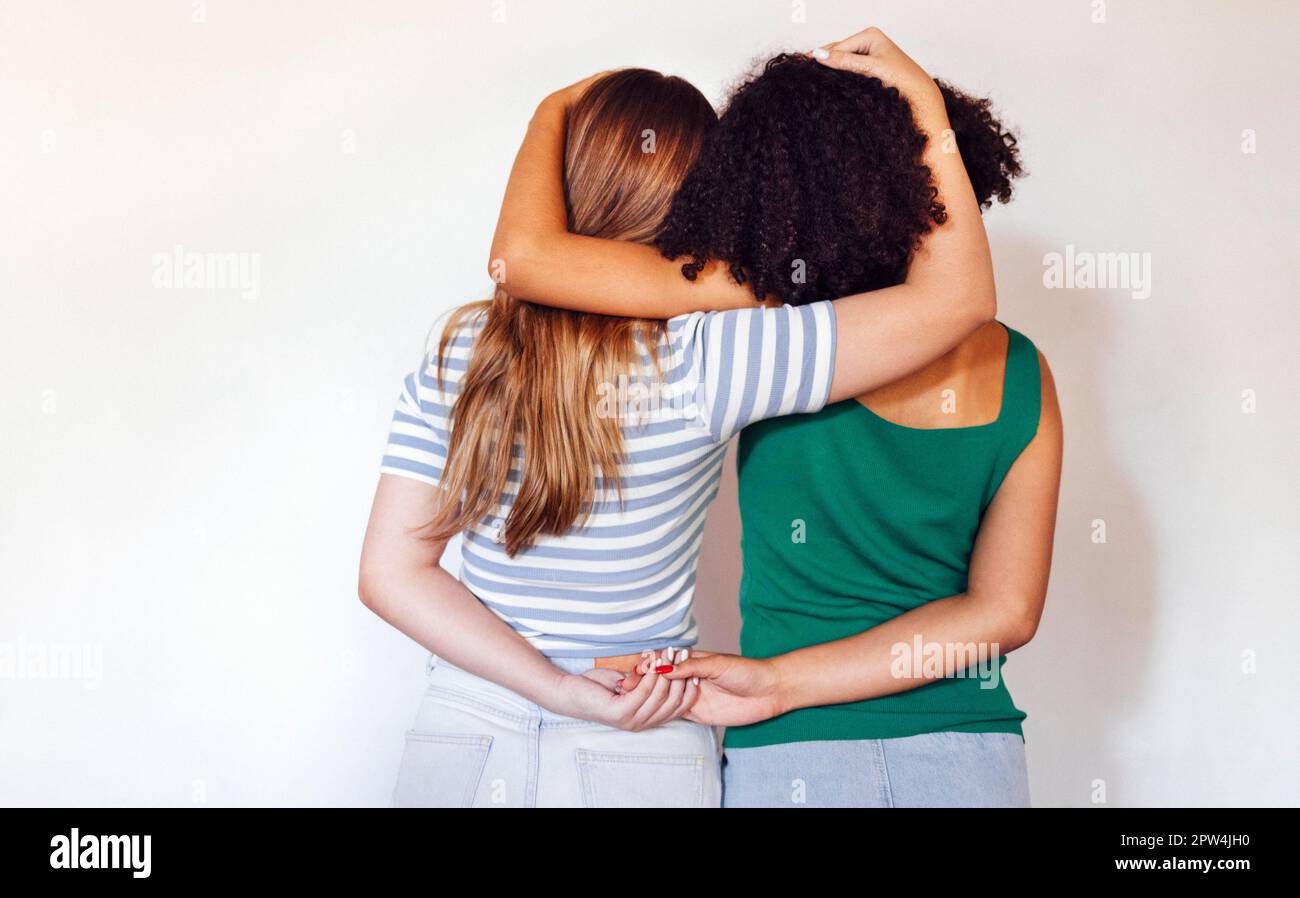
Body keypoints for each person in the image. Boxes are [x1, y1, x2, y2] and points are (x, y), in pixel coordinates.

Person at [494, 28, 1059, 807]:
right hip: (975, 753)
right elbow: (1006, 611)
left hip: (795, 752)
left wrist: (557, 106)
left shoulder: (768, 321)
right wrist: (925, 116)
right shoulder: (1022, 369)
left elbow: (520, 262)